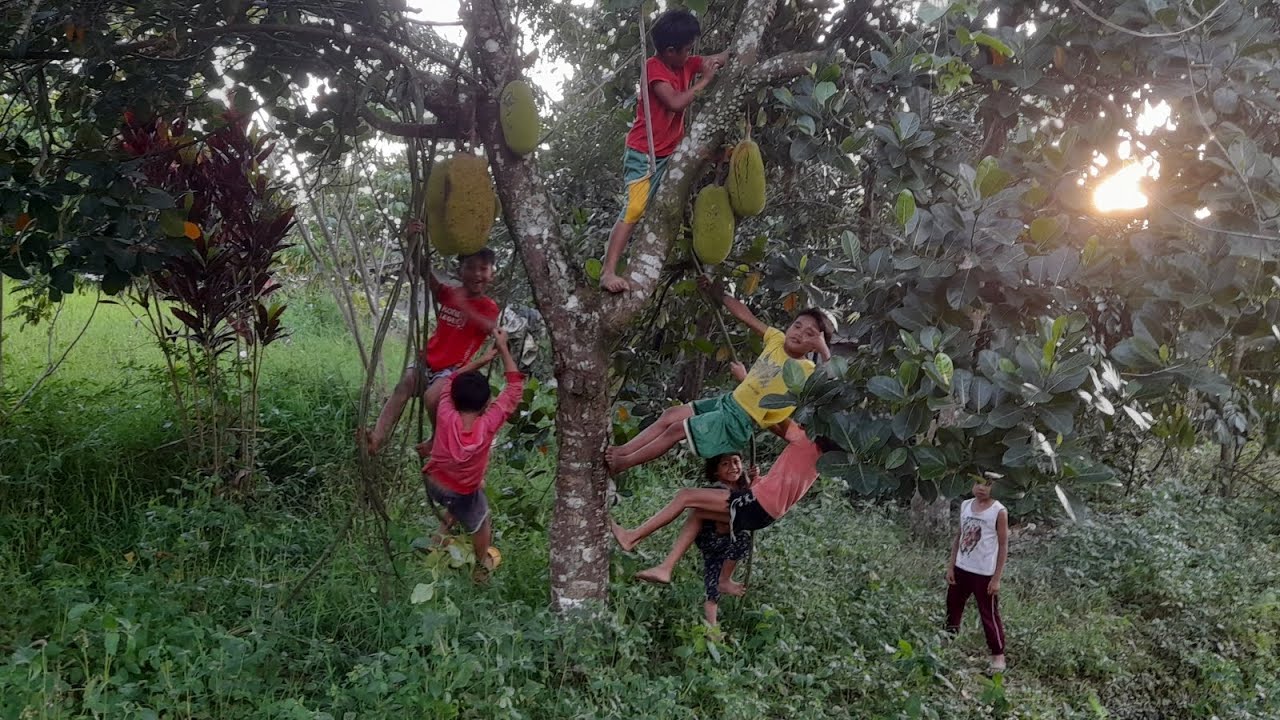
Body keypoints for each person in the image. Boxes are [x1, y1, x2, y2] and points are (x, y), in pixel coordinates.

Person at [605, 278, 832, 475]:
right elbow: (747, 317)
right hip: (729, 402)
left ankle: (624, 463)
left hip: (740, 420)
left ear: (815, 343)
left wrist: (824, 351)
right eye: (797, 326)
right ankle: (624, 450)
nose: (799, 333)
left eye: (810, 334)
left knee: (677, 429)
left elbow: (833, 382)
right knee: (671, 414)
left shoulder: (808, 370)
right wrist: (719, 295)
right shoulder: (776, 339)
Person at [599, 9, 729, 293]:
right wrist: (704, 80)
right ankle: (608, 271)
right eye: (687, 50)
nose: (690, 55)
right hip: (643, 153)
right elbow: (675, 103)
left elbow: (714, 59)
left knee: (703, 159)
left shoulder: (683, 62)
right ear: (670, 51)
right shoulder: (654, 68)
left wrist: (734, 52)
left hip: (671, 151)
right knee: (634, 208)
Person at [611, 421, 835, 566]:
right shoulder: (821, 459)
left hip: (757, 504)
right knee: (698, 512)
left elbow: (773, 415)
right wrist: (759, 480)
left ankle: (632, 536)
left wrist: (747, 383)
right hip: (765, 511)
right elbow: (785, 479)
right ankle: (666, 568)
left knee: (686, 496)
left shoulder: (804, 440)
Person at [360, 232, 499, 456]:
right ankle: (377, 437)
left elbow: (488, 326)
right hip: (428, 361)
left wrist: (464, 306)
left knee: (432, 397)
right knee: (403, 384)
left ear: (492, 274)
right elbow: (429, 277)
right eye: (470, 267)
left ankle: (436, 440)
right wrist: (414, 244)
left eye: (483, 268)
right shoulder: (452, 294)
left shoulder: (488, 306)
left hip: (453, 369)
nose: (476, 273)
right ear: (459, 270)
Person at [423, 329, 524, 581]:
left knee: (468, 492)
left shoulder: (445, 412)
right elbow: (515, 387)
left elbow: (452, 378)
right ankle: (480, 568)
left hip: (434, 482)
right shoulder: (487, 424)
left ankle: (436, 541)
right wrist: (503, 348)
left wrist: (480, 361)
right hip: (459, 490)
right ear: (484, 405)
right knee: (481, 520)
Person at [631, 453, 756, 626]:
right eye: (725, 464)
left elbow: (748, 498)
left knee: (712, 585)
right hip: (712, 538)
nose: (733, 467)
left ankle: (713, 630)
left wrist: (753, 479)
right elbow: (739, 509)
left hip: (725, 542)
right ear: (715, 472)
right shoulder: (718, 490)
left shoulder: (741, 487)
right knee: (742, 538)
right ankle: (724, 580)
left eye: (736, 462)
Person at [945, 475, 1009, 674]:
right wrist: (951, 565)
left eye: (988, 485)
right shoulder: (965, 505)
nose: (982, 488)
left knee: (988, 614)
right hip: (962, 567)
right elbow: (960, 535)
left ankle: (998, 656)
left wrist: (996, 577)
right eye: (978, 483)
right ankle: (948, 643)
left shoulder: (998, 511)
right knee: (953, 607)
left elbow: (1003, 544)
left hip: (984, 573)